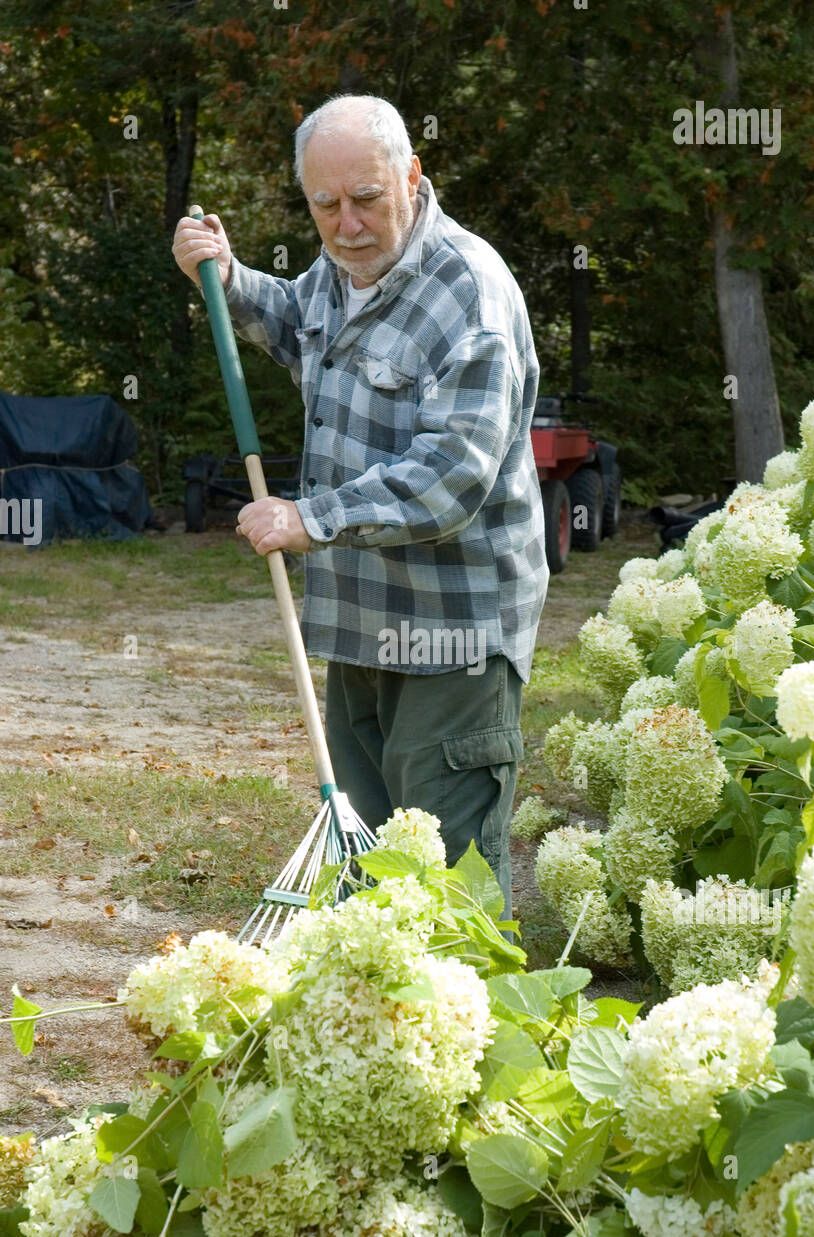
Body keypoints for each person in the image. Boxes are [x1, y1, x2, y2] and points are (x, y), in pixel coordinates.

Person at [172, 93, 549, 919]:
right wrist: (226, 277)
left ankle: (470, 1033)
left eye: (368, 200)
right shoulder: (344, 273)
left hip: (454, 626)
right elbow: (296, 320)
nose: (347, 225)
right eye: (325, 205)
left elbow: (454, 473)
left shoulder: (471, 298)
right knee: (370, 855)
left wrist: (313, 518)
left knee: (446, 875)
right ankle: (378, 1032)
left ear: (412, 177)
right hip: (360, 616)